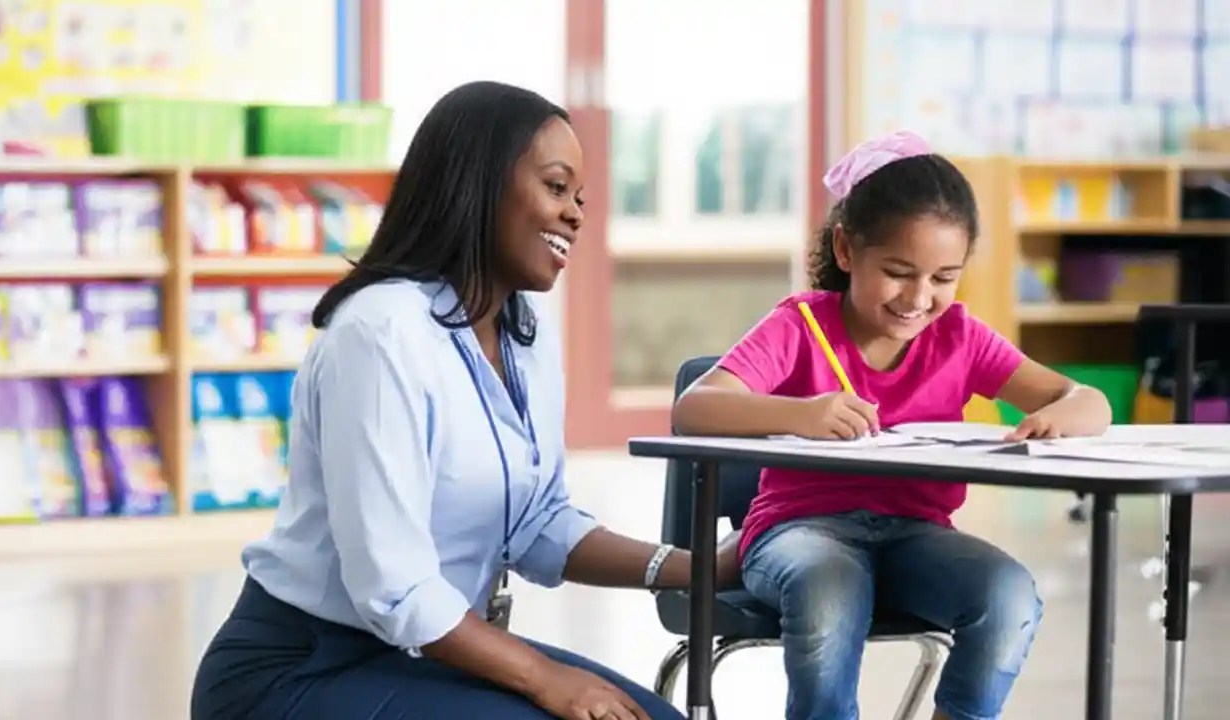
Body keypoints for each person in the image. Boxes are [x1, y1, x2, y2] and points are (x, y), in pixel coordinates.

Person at [190, 80, 740, 720]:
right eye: (556, 188)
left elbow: (538, 523)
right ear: (478, 184)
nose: (576, 214)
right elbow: (395, 587)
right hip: (297, 671)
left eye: (580, 197)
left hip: (424, 654)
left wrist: (695, 566)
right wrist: (545, 679)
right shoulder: (379, 333)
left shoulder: (524, 333)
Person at [671, 130, 1113, 720]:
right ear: (847, 251)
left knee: (1007, 596)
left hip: (914, 538)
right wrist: (801, 414)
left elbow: (1091, 401)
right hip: (799, 532)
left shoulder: (959, 337)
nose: (919, 298)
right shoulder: (801, 325)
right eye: (899, 272)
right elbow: (695, 408)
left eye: (943, 277)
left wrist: (1060, 414)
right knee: (830, 590)